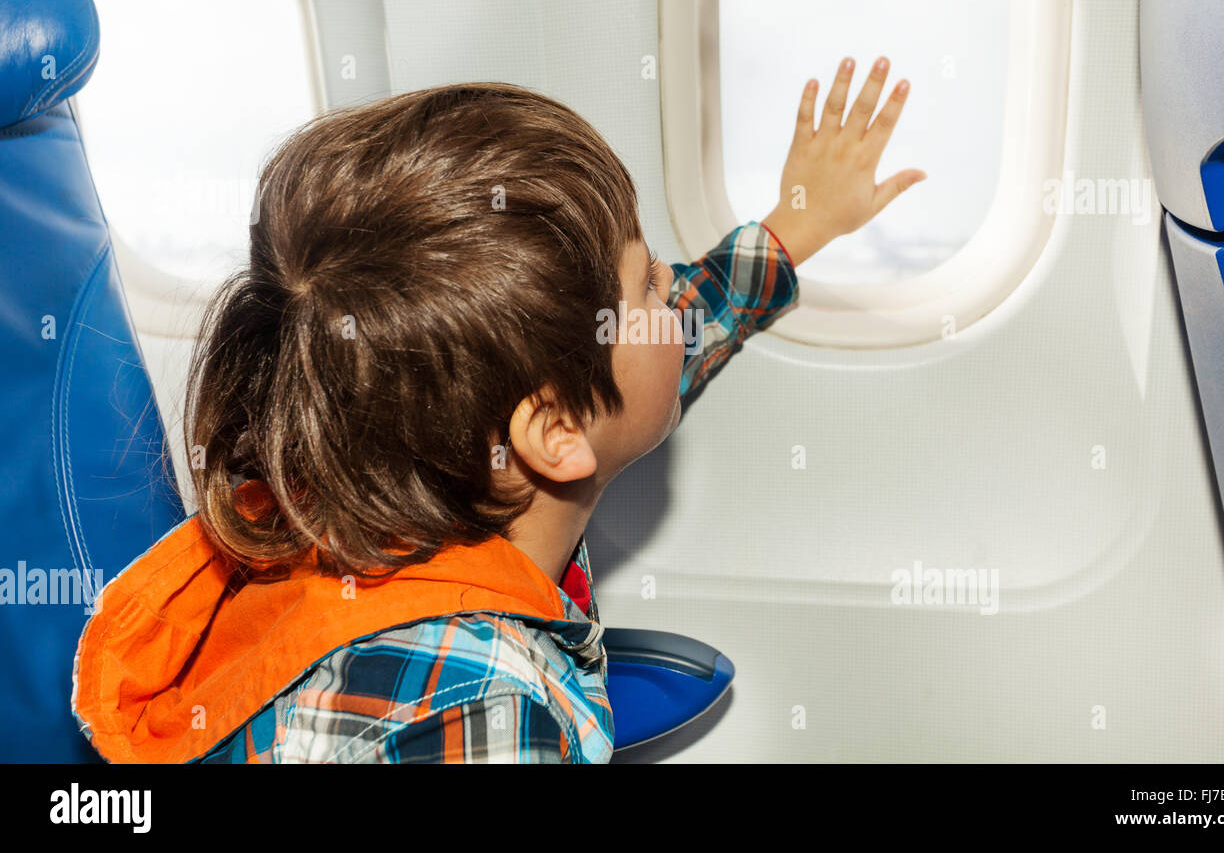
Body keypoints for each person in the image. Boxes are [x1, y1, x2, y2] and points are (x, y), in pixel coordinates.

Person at [71, 56, 922, 763]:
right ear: (553, 433)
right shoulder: (482, 720)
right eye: (651, 284)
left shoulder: (407, 468)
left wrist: (790, 230)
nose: (675, 295)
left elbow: (649, 360)